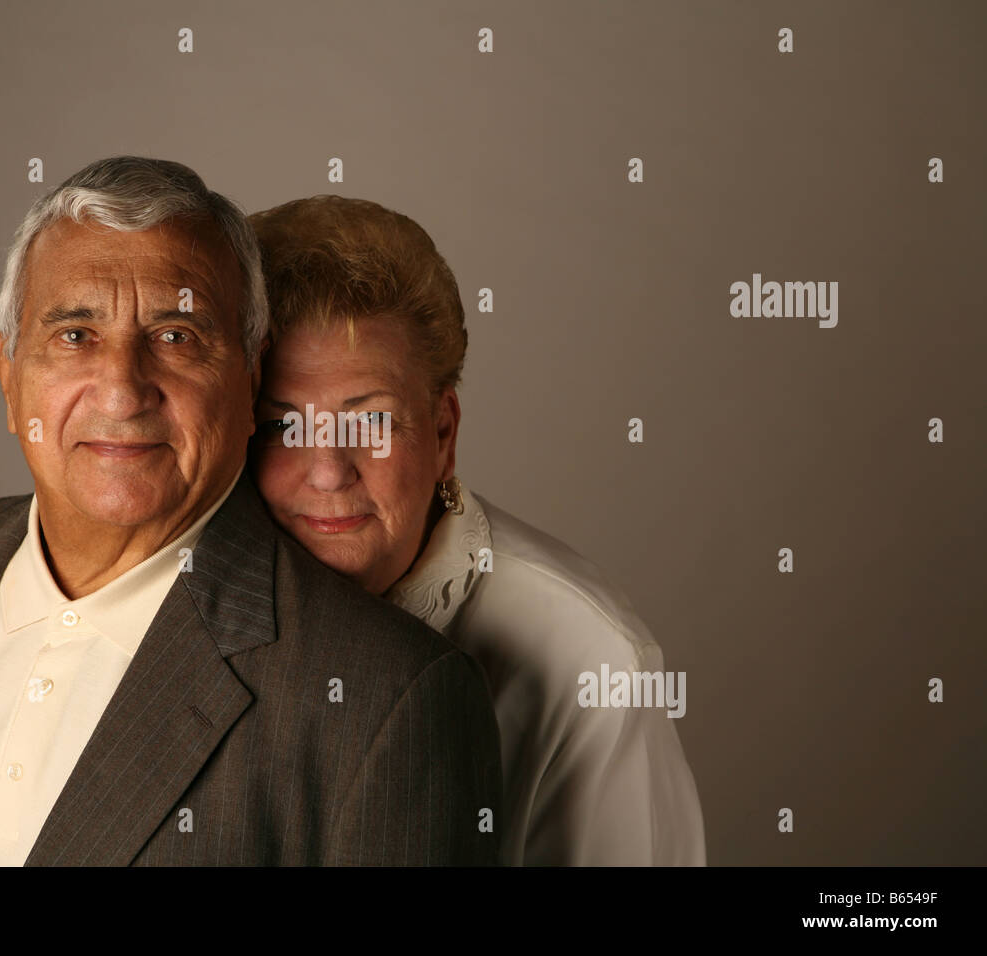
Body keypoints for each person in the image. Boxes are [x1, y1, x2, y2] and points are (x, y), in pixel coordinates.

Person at [0, 158, 502, 867]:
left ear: (249, 375)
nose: (122, 391)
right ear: (7, 373)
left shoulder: (388, 701)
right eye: (75, 335)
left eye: (176, 337)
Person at [248, 195, 706, 865]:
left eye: (369, 422)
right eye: (284, 424)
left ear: (442, 432)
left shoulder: (591, 661)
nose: (326, 472)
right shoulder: (174, 590)